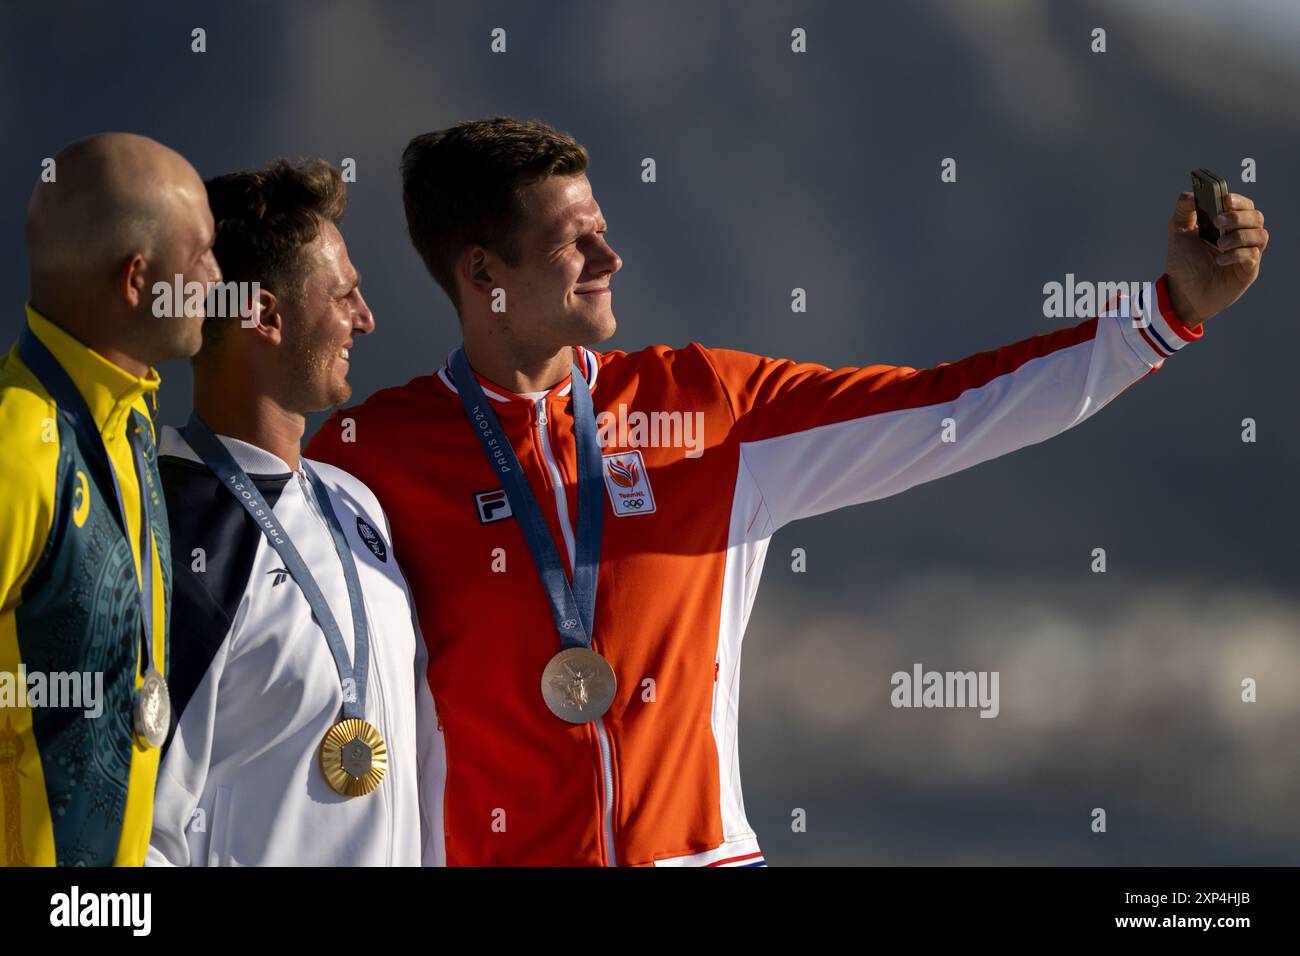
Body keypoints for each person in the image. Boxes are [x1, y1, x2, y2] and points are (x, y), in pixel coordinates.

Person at [305, 117, 1269, 867]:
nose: (612, 259)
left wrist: (1167, 313)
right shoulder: (370, 454)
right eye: (575, 243)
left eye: (604, 231)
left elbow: (952, 409)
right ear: (483, 274)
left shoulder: (709, 407)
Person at [147, 159, 441, 866]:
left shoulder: (354, 502)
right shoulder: (166, 525)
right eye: (343, 296)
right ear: (265, 315)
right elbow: (139, 827)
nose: (365, 320)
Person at [0, 132, 219, 866]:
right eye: (202, 258)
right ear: (136, 280)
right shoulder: (18, 444)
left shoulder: (129, 427)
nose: (220, 281)